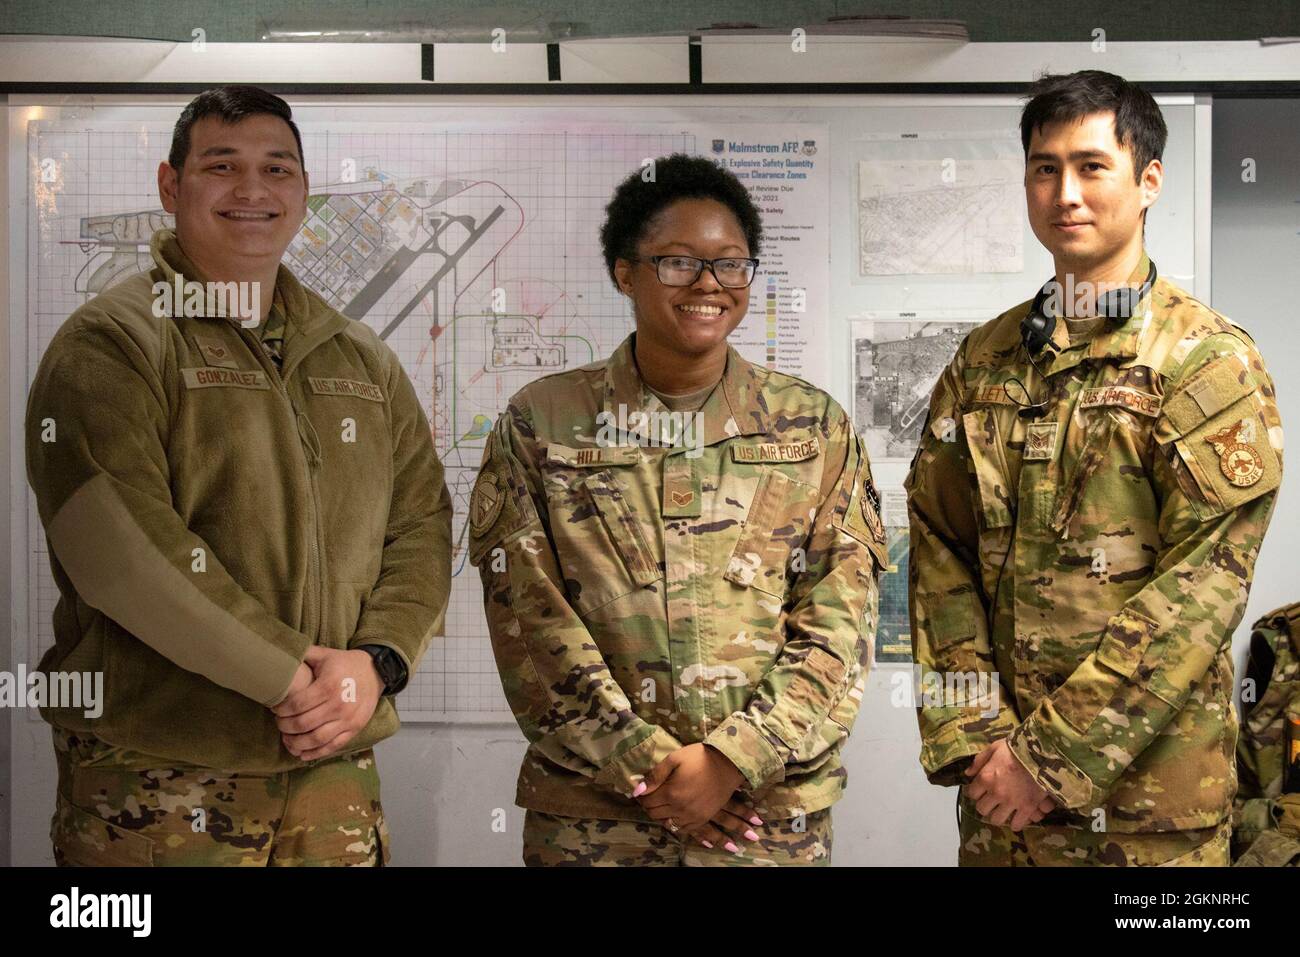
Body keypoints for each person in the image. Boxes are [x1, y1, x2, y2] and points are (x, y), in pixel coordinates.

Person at [25, 85, 452, 866]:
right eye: (222, 166)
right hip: (155, 787)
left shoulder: (359, 357)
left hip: (332, 773)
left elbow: (421, 524)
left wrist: (377, 662)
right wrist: (293, 678)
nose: (253, 190)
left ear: (303, 192)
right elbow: (123, 556)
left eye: (277, 169)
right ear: (170, 185)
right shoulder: (112, 344)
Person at [906, 70, 1283, 866]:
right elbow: (939, 552)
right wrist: (976, 735)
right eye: (1045, 169)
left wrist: (1048, 760)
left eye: (1091, 166)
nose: (1065, 192)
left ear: (1148, 181)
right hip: (1003, 808)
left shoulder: (1207, 362)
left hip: (1150, 815)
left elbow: (1202, 588)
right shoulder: (983, 361)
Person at [469, 153, 885, 866]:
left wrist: (731, 761)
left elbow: (841, 621)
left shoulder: (812, 426)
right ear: (625, 272)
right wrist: (647, 765)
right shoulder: (543, 421)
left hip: (763, 816)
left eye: (730, 264)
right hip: (597, 817)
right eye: (677, 262)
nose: (708, 284)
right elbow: (527, 618)